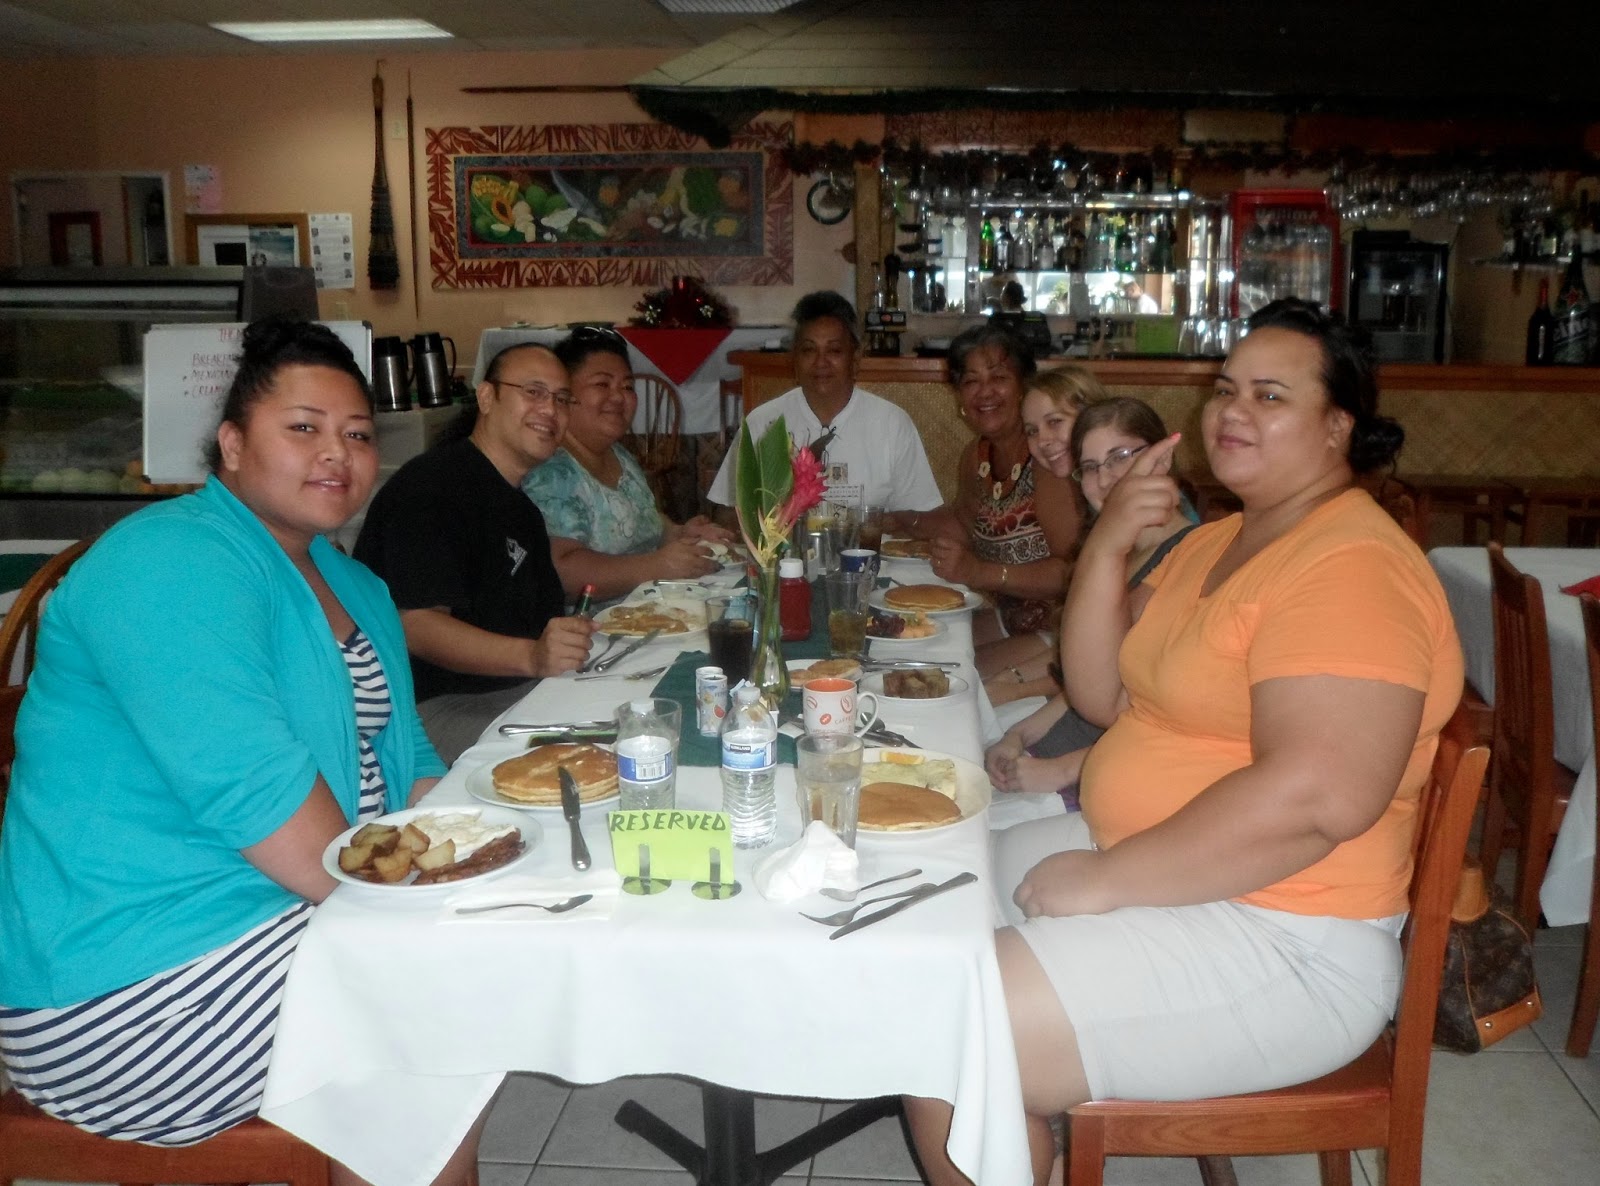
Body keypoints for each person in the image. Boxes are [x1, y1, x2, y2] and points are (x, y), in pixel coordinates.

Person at [905, 299, 1464, 1186]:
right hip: (1183, 874)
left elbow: (1319, 797)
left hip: (1287, 935)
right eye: (1227, 388)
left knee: (948, 1013)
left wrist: (1108, 880)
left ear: (1338, 426)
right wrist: (1111, 540)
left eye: (1271, 396)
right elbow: (1100, 691)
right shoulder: (1225, 542)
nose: (1234, 411)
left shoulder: (1350, 565)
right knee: (929, 905)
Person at [0, 321, 484, 1184]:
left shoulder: (353, 581)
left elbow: (406, 751)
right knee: (435, 1022)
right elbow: (265, 808)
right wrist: (425, 920)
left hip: (288, 910)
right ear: (230, 444)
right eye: (303, 427)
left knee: (467, 970)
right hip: (126, 984)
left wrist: (477, 857)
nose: (337, 452)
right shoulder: (168, 561)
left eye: (358, 434)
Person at [354, 342, 595, 764]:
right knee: (586, 758)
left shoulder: (519, 508)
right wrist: (532, 657)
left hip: (508, 692)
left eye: (561, 399)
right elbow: (416, 625)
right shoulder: (432, 489)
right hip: (428, 713)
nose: (550, 410)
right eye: (533, 392)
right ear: (486, 397)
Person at [986, 396, 1198, 803]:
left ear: (1161, 458)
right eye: (1090, 467)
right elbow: (1085, 683)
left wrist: (1062, 771)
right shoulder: (1115, 551)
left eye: (1120, 457)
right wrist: (1016, 735)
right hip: (1058, 751)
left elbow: (1162, 714)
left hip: (1112, 779)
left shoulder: (1187, 555)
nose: (1105, 479)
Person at [910, 328, 1084, 679]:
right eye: (971, 380)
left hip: (1067, 629)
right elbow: (963, 522)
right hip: (1012, 617)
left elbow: (1073, 573)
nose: (985, 391)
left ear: (1024, 386)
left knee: (947, 679)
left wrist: (979, 572)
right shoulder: (978, 455)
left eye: (999, 377)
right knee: (918, 651)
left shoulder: (1047, 461)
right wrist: (894, 522)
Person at [521, 325, 737, 603]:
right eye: (602, 384)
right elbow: (562, 572)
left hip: (649, 610)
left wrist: (680, 534)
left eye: (627, 386)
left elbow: (643, 521)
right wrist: (656, 566)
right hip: (586, 629)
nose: (618, 396)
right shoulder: (554, 472)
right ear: (564, 395)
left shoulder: (619, 455)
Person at [705, 290, 943, 520]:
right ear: (794, 360)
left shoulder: (892, 423)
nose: (821, 362)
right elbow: (726, 511)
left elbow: (921, 515)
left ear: (855, 359)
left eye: (834, 350)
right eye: (809, 350)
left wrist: (870, 525)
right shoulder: (764, 423)